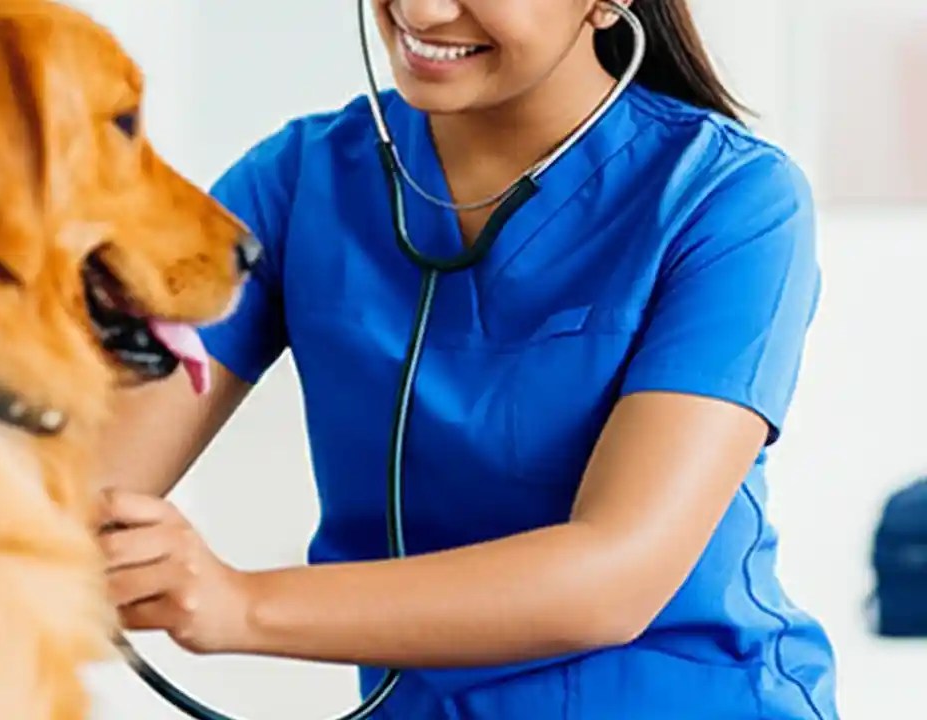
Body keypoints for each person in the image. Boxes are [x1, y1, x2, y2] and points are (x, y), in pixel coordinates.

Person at [94, 1, 839, 718]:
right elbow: (73, 491)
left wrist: (240, 604)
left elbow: (616, 577)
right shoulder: (298, 180)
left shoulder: (730, 198)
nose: (420, 12)